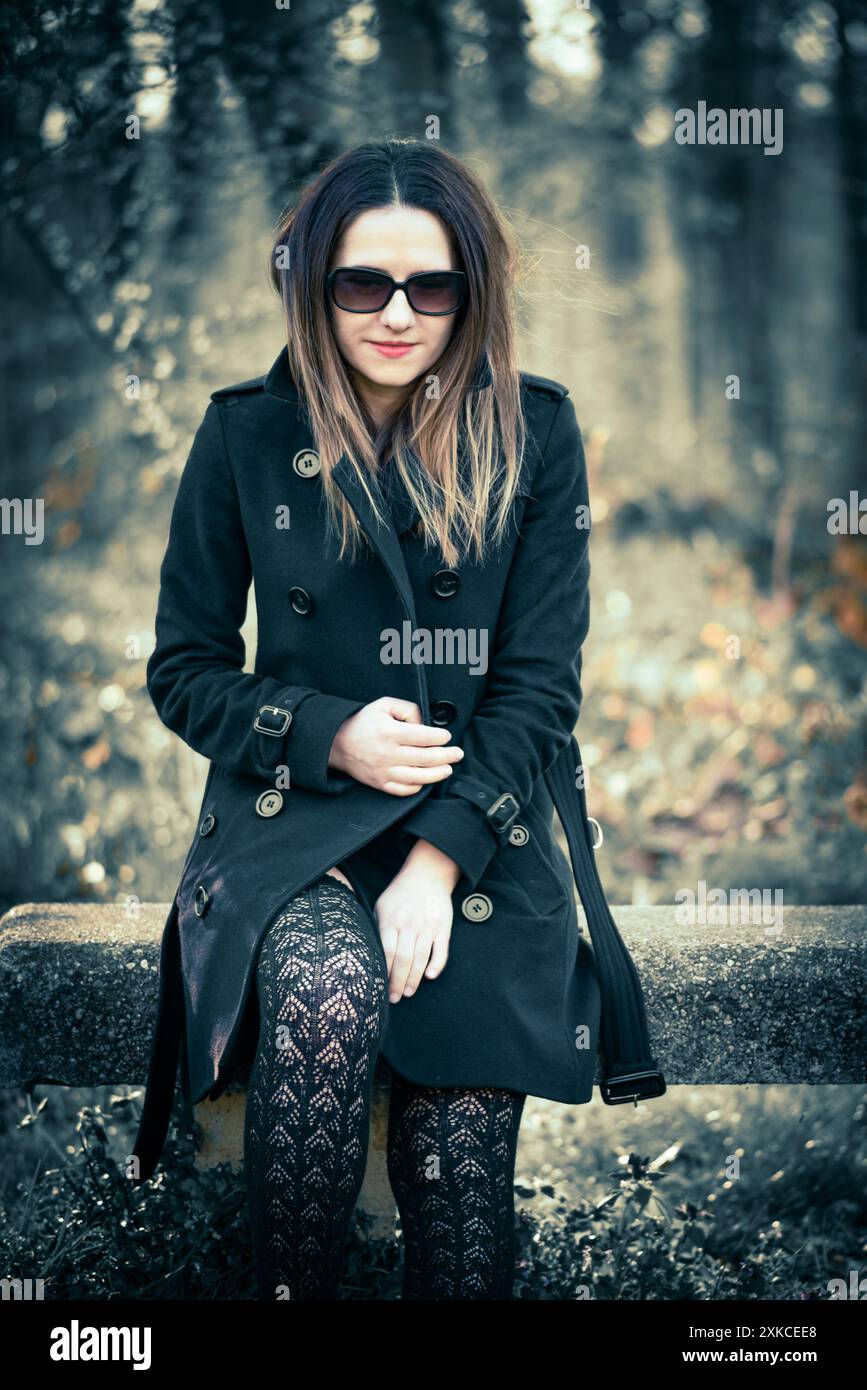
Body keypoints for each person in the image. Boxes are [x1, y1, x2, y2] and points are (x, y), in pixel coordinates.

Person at [131, 136, 663, 1301]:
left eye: (431, 285)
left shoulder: (535, 433)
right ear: (312, 282)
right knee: (323, 990)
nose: (395, 314)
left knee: (460, 1164)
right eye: (361, 282)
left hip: (479, 825)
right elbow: (184, 670)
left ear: (472, 291)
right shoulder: (243, 437)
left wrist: (437, 858)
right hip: (293, 823)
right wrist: (324, 731)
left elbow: (538, 689)